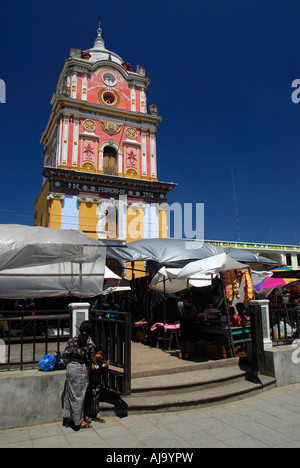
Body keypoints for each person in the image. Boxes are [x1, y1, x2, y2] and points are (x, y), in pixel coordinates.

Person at [62, 320, 96, 430]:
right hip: (80, 369)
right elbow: (93, 359)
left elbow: (65, 353)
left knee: (69, 393)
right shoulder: (89, 343)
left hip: (70, 368)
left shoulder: (72, 340)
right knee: (78, 396)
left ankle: (68, 418)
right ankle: (78, 421)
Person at [84, 346, 110, 424]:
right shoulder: (90, 363)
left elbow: (101, 371)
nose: (99, 356)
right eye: (97, 354)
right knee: (89, 399)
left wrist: (106, 367)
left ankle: (96, 414)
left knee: (95, 399)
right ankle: (87, 415)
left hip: (96, 384)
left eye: (100, 354)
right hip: (90, 384)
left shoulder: (99, 363)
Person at [177, 292, 197, 360]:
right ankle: (188, 354)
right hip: (189, 324)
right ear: (188, 297)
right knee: (189, 339)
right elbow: (193, 315)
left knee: (183, 339)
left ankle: (181, 353)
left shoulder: (179, 303)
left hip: (182, 323)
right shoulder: (188, 305)